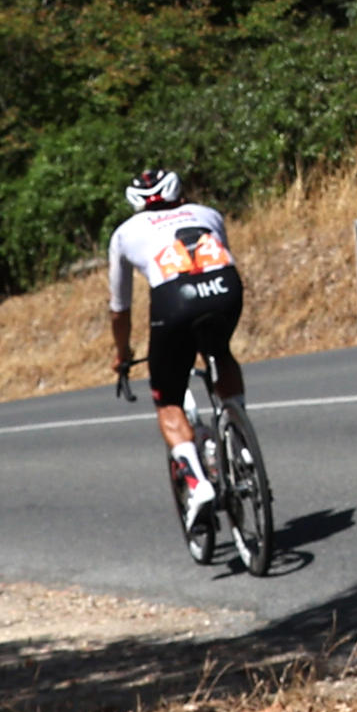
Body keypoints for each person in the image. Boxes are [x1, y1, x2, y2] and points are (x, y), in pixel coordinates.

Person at [104, 168, 250, 526]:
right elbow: (220, 257)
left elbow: (120, 309)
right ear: (178, 193)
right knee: (219, 352)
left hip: (175, 301)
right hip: (226, 290)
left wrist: (123, 353)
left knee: (167, 399)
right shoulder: (208, 213)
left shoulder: (124, 234)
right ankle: (239, 436)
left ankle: (198, 485)